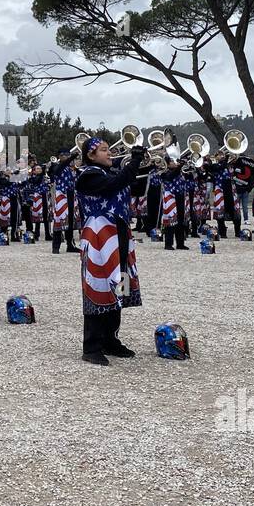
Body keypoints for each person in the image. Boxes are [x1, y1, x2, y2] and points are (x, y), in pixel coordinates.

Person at [75, 136, 143, 365]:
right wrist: (133, 163)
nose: (110, 153)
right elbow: (113, 186)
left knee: (119, 282)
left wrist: (145, 166)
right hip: (99, 236)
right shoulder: (88, 176)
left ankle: (111, 338)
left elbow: (136, 188)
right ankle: (91, 345)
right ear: (91, 156)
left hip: (119, 233)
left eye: (108, 149)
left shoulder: (111, 173)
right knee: (98, 283)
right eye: (104, 150)